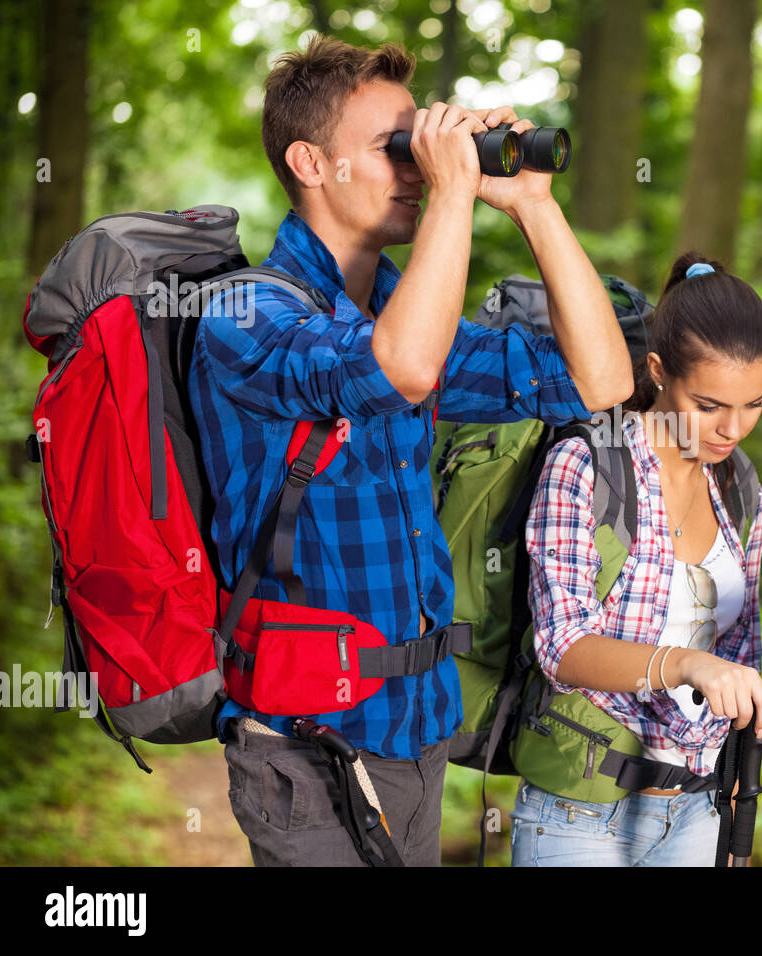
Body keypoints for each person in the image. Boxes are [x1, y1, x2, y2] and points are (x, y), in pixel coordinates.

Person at [186, 35, 632, 866]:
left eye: (420, 144)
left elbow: (599, 380)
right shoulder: (242, 313)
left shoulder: (397, 308)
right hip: (306, 741)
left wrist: (533, 204)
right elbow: (399, 369)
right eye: (394, 148)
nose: (421, 168)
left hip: (419, 727)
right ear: (310, 163)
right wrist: (457, 198)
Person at [513, 252, 762, 866]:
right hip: (579, 812)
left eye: (754, 404)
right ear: (659, 371)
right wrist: (688, 666)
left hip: (696, 809)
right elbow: (561, 647)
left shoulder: (740, 483)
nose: (733, 429)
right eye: (710, 405)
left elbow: (741, 644)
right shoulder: (588, 464)